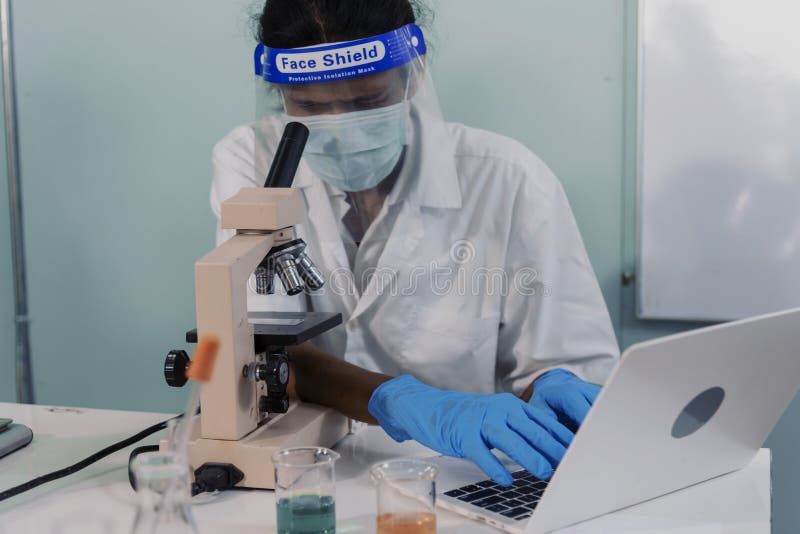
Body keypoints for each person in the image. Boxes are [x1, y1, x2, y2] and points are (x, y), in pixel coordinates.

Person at [211, 0, 619, 486]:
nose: (343, 130)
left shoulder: (509, 179)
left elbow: (568, 369)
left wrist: (553, 384)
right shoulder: (253, 161)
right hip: (309, 468)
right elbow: (259, 350)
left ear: (412, 77)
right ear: (279, 94)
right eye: (312, 109)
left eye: (367, 103)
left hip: (469, 472)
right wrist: (401, 400)